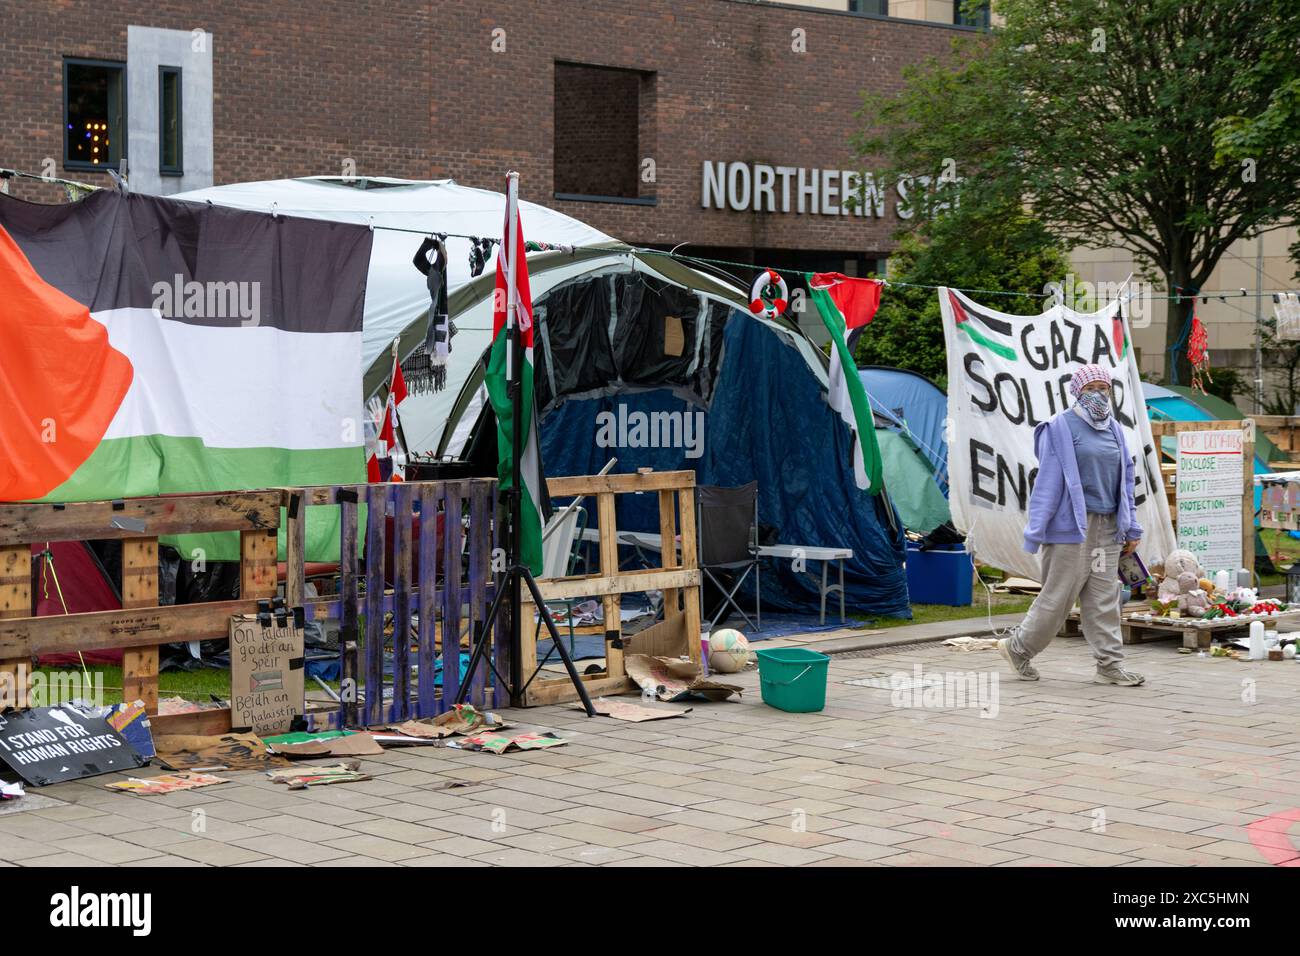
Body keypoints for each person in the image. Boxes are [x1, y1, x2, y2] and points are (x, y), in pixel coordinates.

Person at [997, 363, 1146, 686]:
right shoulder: (1058, 428)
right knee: (1058, 598)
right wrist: (1036, 531)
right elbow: (1047, 482)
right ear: (1077, 391)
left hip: (1108, 528)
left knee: (1105, 598)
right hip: (1070, 528)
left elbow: (1126, 481)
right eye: (1091, 388)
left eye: (1103, 388)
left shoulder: (1115, 429)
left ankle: (1109, 666)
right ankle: (1018, 648)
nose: (1098, 394)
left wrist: (1131, 527)